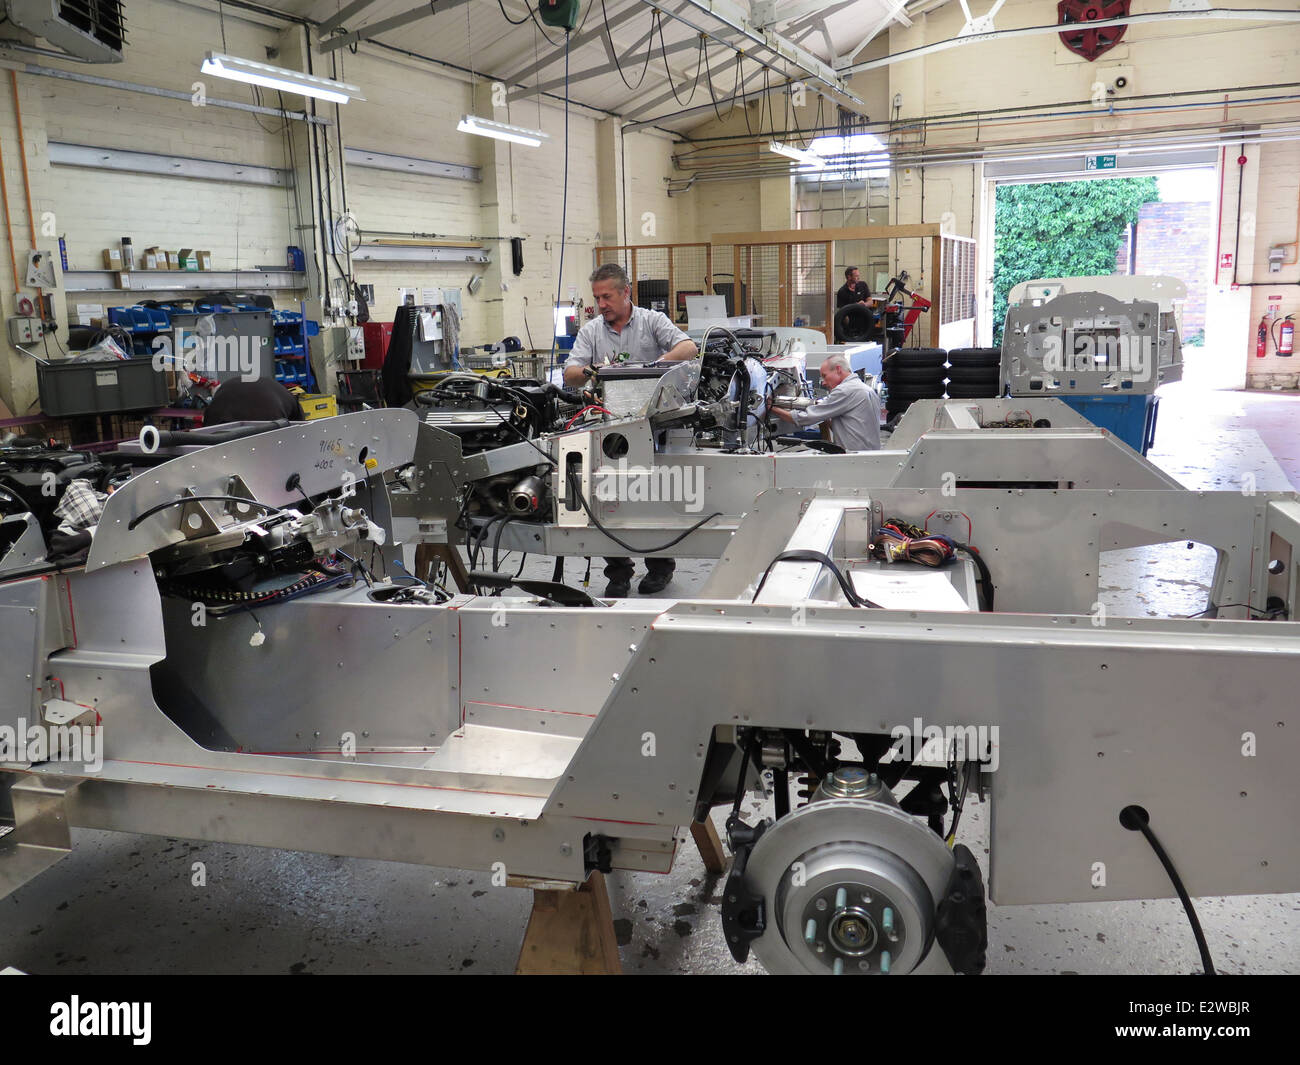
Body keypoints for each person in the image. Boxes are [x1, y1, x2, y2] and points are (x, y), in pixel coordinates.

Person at [565, 263, 699, 598]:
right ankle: (619, 572)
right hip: (609, 429)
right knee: (608, 496)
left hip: (653, 426)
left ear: (626, 293)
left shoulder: (652, 322)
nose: (601, 304)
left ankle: (659, 566)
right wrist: (587, 371)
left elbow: (689, 348)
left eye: (607, 296)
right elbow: (569, 373)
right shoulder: (592, 331)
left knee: (653, 495)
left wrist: (652, 369)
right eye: (597, 298)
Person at [769, 353, 882, 452]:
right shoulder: (867, 389)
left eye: (824, 376)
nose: (823, 382)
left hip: (853, 459)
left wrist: (772, 407)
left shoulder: (844, 390)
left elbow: (806, 418)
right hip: (872, 456)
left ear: (838, 369)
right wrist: (825, 413)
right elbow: (852, 428)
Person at [203, 377, 305, 426]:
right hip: (267, 413)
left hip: (221, 405)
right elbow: (300, 430)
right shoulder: (291, 403)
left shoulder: (280, 392)